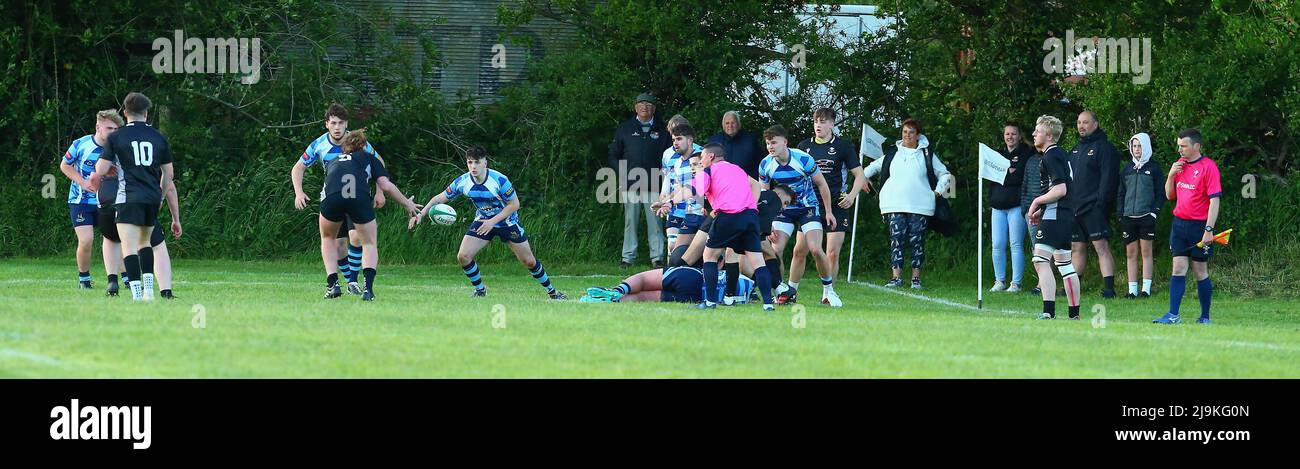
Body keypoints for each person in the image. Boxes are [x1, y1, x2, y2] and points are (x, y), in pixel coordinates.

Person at [410, 147, 567, 300]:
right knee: (463, 256)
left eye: (477, 162)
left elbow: (514, 205)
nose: (473, 166)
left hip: (507, 222)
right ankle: (480, 291)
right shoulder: (463, 182)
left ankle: (553, 292)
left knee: (529, 261)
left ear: (485, 163)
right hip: (483, 220)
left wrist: (493, 221)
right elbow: (439, 198)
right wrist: (421, 215)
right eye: (470, 162)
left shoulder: (499, 180)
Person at [90, 92, 176, 301]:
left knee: (128, 247)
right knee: (145, 243)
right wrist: (161, 196)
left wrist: (109, 166)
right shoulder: (159, 136)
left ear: (126, 113)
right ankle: (149, 291)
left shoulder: (117, 137)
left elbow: (100, 169)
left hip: (127, 197)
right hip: (151, 198)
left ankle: (137, 294)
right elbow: (169, 175)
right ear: (146, 113)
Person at [316, 130, 418, 300]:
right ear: (363, 146)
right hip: (358, 197)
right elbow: (385, 186)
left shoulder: (332, 161)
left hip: (332, 197)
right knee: (369, 243)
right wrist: (408, 204)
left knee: (328, 238)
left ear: (344, 148)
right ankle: (368, 290)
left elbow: (329, 184)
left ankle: (333, 285)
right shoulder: (369, 157)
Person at [292, 104, 382, 295]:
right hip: (333, 196)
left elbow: (379, 162)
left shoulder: (357, 142)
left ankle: (353, 281)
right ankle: (348, 283)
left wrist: (379, 191)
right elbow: (298, 168)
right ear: (327, 124)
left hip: (357, 195)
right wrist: (299, 192)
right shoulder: (319, 144)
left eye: (341, 123)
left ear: (346, 124)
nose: (337, 127)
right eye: (333, 123)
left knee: (356, 237)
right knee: (339, 244)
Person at [683, 143, 778, 311]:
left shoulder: (709, 171)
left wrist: (668, 201)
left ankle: (711, 302)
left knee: (710, 256)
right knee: (758, 261)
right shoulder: (737, 169)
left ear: (710, 157)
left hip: (727, 216)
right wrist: (752, 206)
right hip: (749, 216)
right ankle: (768, 305)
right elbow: (755, 184)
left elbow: (691, 190)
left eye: (703, 157)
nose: (701, 160)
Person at [862, 119, 952, 289]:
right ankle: (896, 278)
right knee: (897, 240)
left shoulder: (927, 154)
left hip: (920, 205)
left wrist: (938, 191)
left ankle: (915, 279)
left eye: (911, 132)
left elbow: (945, 174)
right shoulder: (892, 153)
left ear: (918, 135)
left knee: (917, 241)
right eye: (904, 132)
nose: (907, 135)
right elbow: (872, 167)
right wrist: (863, 178)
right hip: (893, 204)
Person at [759, 125, 841, 307]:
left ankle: (829, 291)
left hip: (808, 208)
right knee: (775, 249)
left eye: (774, 142)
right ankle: (781, 291)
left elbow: (821, 184)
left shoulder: (803, 159)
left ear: (785, 142)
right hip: (784, 211)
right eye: (767, 143)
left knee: (814, 248)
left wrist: (828, 212)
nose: (770, 147)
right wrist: (767, 222)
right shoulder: (766, 164)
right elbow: (764, 196)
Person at [788, 108, 864, 302]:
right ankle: (790, 292)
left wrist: (852, 195)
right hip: (809, 204)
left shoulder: (843, 147)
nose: (818, 125)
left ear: (832, 124)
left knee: (831, 252)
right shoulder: (803, 147)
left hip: (837, 205)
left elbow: (860, 175)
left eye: (823, 122)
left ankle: (828, 294)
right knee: (800, 250)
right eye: (816, 122)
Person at [1153, 129, 1221, 325]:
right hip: (1179, 225)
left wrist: (1209, 229)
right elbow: (1169, 196)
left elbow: (1215, 201)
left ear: (1196, 146)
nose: (1179, 149)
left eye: (1183, 146)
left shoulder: (1209, 167)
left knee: (1200, 270)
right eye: (1179, 145)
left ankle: (1205, 317)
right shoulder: (1179, 166)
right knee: (1178, 267)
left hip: (1199, 226)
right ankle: (1173, 315)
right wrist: (1171, 175)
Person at [1026, 115, 1083, 320]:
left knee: (1040, 260)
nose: (1034, 134)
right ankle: (1074, 314)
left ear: (1049, 135)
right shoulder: (1057, 154)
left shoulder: (1051, 155)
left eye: (1038, 130)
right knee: (1064, 264)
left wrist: (1036, 202)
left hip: (1057, 215)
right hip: (1063, 214)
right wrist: (1042, 209)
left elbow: (1060, 189)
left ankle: (1048, 312)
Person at [60, 110, 121, 291]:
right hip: (81, 201)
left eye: (116, 128)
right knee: (86, 241)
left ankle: (124, 277)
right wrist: (82, 182)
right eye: (109, 128)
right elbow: (65, 165)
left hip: (107, 201)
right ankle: (84, 279)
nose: (113, 132)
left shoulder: (118, 147)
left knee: (117, 239)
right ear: (98, 127)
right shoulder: (81, 144)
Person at [609, 93, 670, 268]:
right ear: (635, 107)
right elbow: (613, 154)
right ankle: (628, 258)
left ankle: (657, 257)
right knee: (630, 221)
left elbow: (668, 157)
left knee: (656, 221)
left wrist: (664, 174)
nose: (645, 107)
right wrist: (622, 172)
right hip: (631, 184)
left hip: (655, 184)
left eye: (649, 104)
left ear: (654, 109)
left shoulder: (662, 130)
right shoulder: (625, 128)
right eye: (641, 104)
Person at [1069, 111, 1122, 297]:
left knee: (1101, 247)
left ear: (1095, 124)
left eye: (1085, 122)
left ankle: (1109, 289)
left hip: (1094, 208)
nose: (1081, 126)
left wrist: (1101, 203)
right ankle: (1074, 288)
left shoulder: (1104, 148)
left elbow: (1108, 179)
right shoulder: (1075, 150)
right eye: (1079, 122)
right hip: (1075, 208)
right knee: (1077, 247)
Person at [1117, 132, 1165, 299]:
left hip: (1146, 217)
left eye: (1140, 146)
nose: (1137, 149)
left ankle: (1146, 289)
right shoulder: (1127, 168)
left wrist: (1154, 213)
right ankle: (1132, 290)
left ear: (1146, 147)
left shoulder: (1154, 168)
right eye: (1134, 146)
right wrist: (1120, 214)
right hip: (1128, 217)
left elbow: (1161, 193)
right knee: (1130, 254)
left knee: (1146, 252)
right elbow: (1121, 193)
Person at [989, 123, 1034, 292]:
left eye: (1013, 134)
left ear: (1019, 136)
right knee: (998, 244)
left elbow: (1020, 178)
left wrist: (1006, 176)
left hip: (1016, 206)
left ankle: (1016, 283)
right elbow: (993, 178)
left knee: (1015, 244)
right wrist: (1009, 173)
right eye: (1007, 134)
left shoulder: (1026, 154)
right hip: (997, 206)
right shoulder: (998, 155)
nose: (1010, 137)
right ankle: (999, 281)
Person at [655, 121, 705, 254]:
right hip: (689, 213)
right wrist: (665, 202)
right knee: (675, 249)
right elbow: (680, 188)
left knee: (709, 253)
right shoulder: (677, 163)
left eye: (679, 139)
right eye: (673, 140)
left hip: (706, 213)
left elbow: (697, 186)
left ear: (690, 141)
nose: (675, 143)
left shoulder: (702, 157)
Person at [707, 111, 764, 179]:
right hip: (722, 183)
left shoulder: (751, 140)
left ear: (738, 124)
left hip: (746, 182)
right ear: (723, 125)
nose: (730, 126)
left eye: (733, 123)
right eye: (727, 123)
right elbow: (707, 164)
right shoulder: (714, 141)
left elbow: (761, 163)